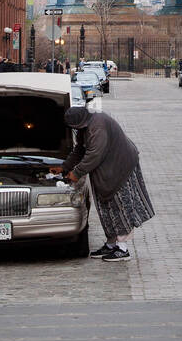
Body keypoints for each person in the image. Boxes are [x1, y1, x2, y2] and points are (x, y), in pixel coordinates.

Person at [51, 105, 154, 261]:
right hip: (106, 169)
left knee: (120, 206)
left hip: (121, 167)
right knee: (105, 206)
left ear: (80, 122)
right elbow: (80, 150)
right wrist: (64, 167)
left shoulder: (98, 125)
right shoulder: (85, 126)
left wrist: (76, 173)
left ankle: (123, 248)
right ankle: (111, 244)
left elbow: (94, 154)